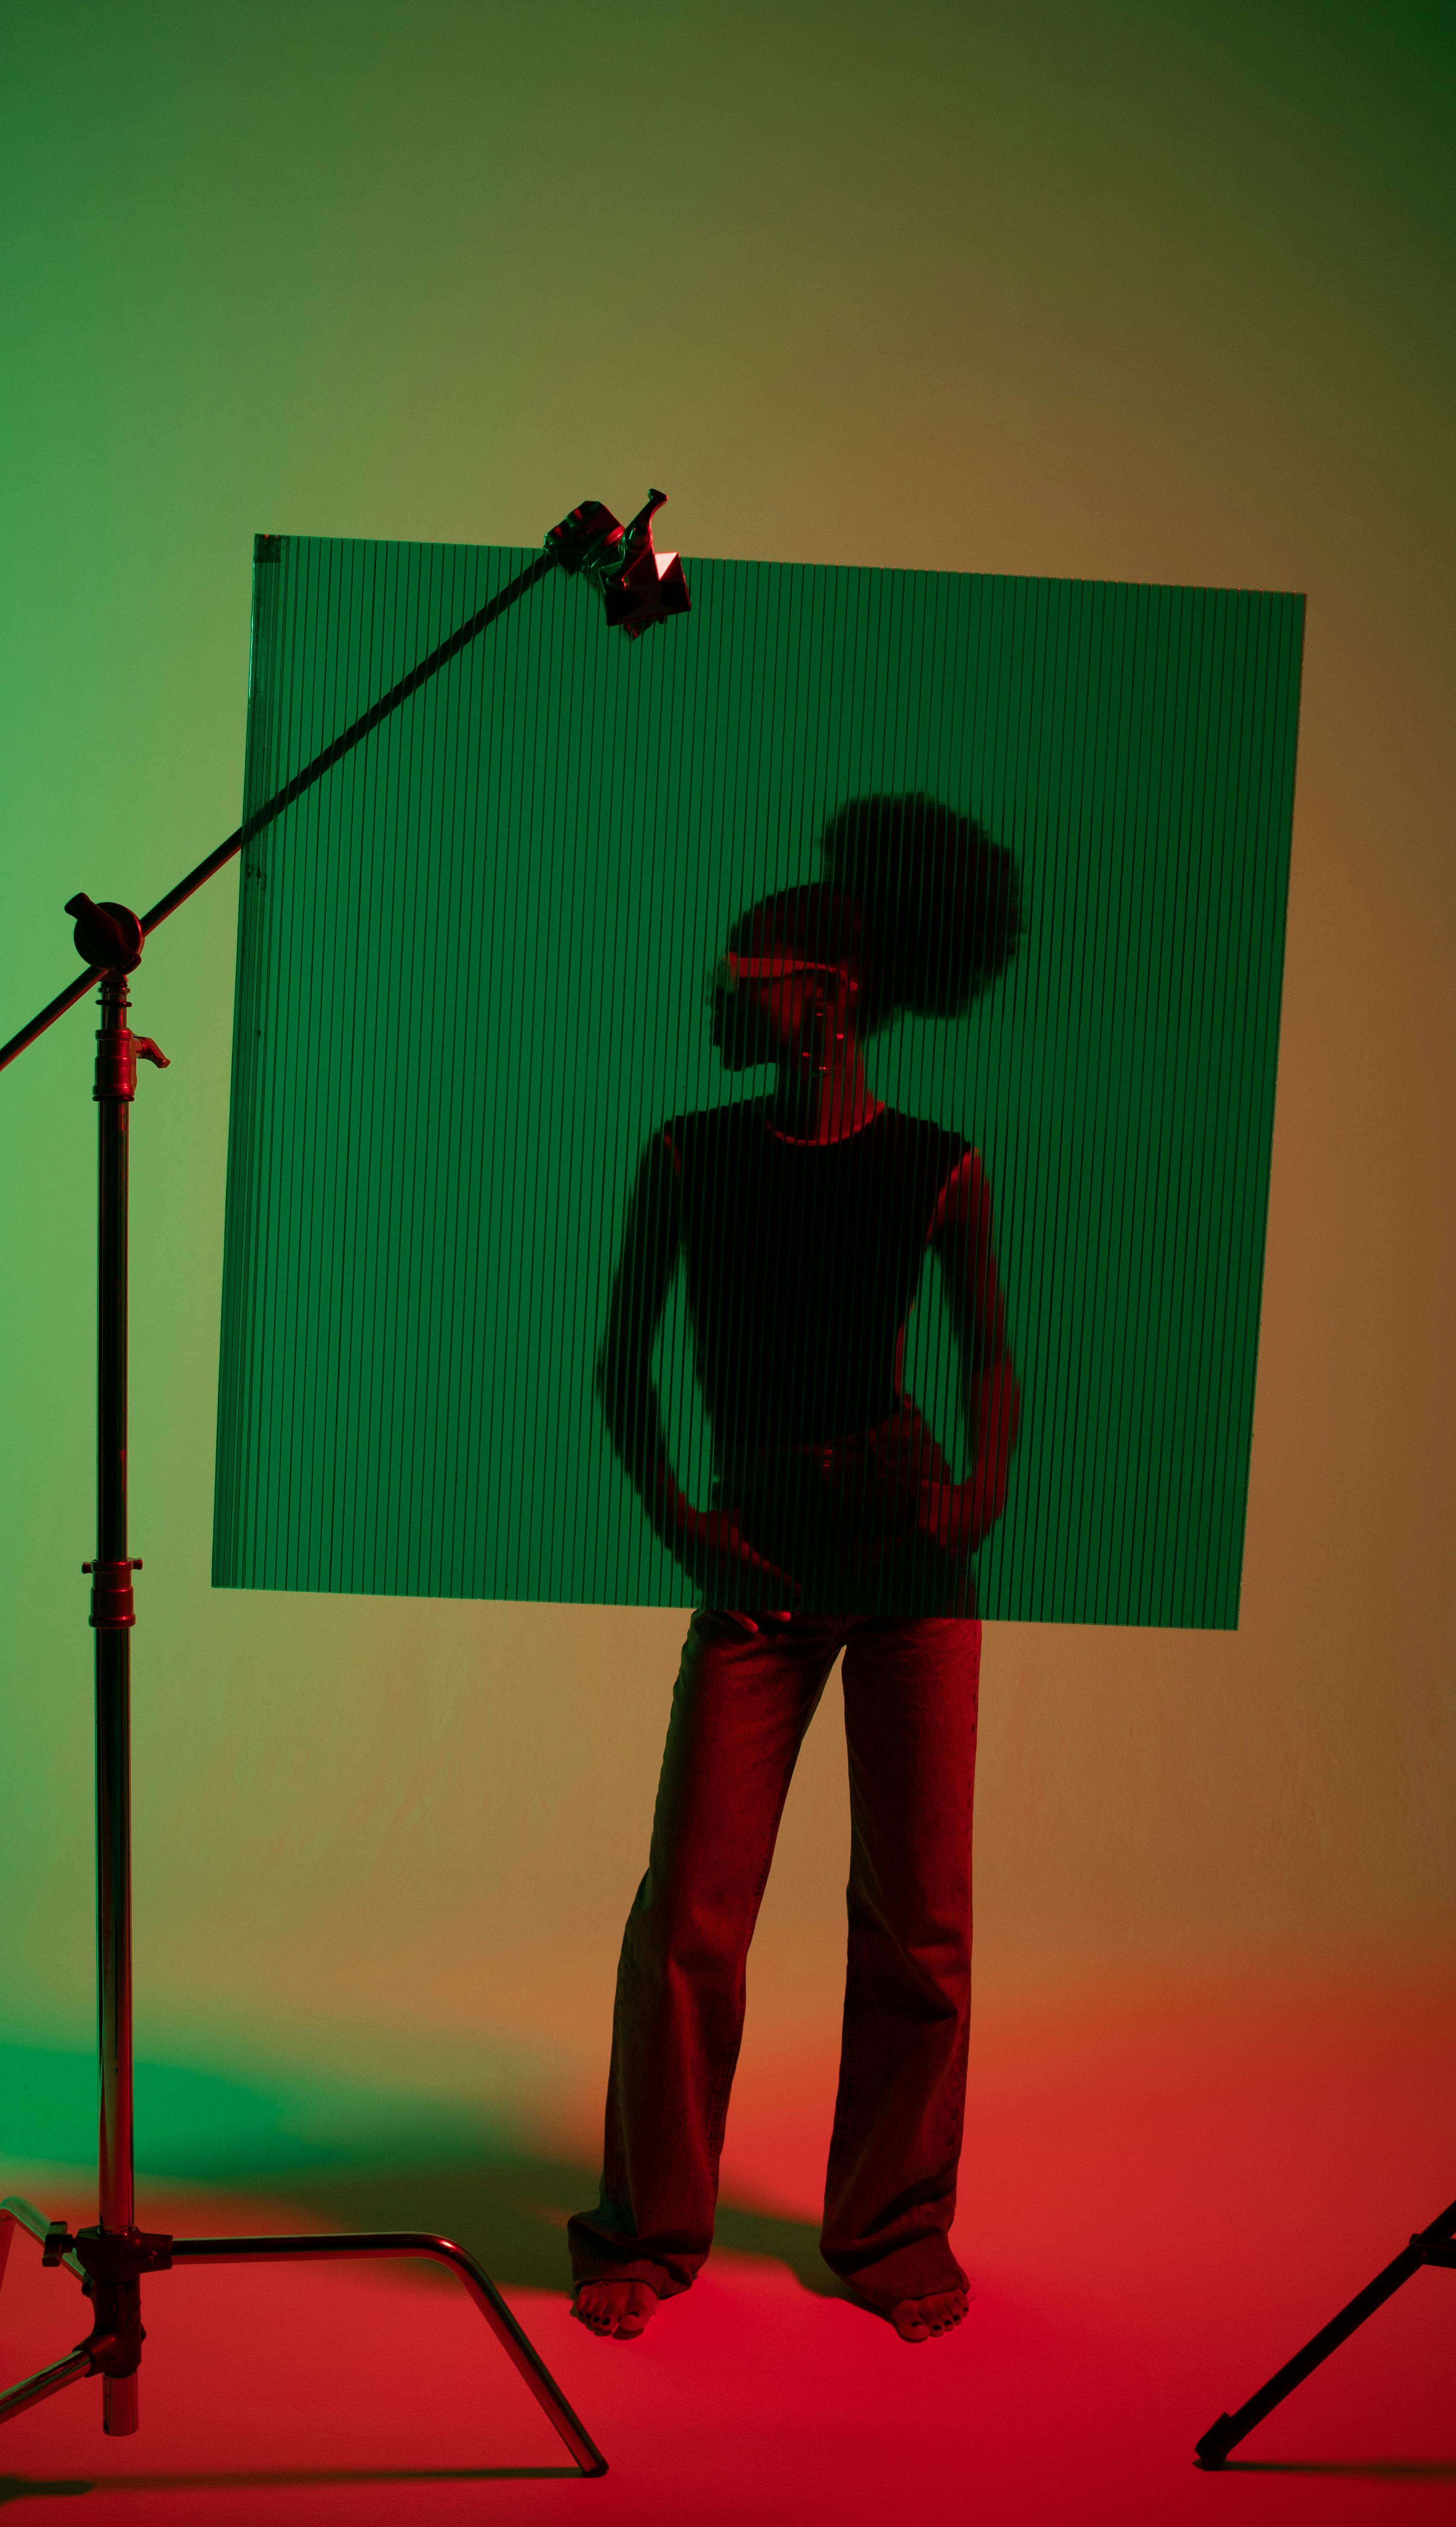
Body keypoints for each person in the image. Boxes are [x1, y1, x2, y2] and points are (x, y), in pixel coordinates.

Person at [569, 794, 1024, 2346]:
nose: (715, 998)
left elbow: (990, 1360)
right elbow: (620, 1367)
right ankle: (649, 2228)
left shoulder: (940, 1167)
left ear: (821, 995)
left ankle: (893, 2233)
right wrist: (679, 1523)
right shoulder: (690, 1158)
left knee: (922, 1918)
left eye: (740, 976)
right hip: (754, 1550)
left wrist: (983, 1493)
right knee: (693, 1905)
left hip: (902, 1557)